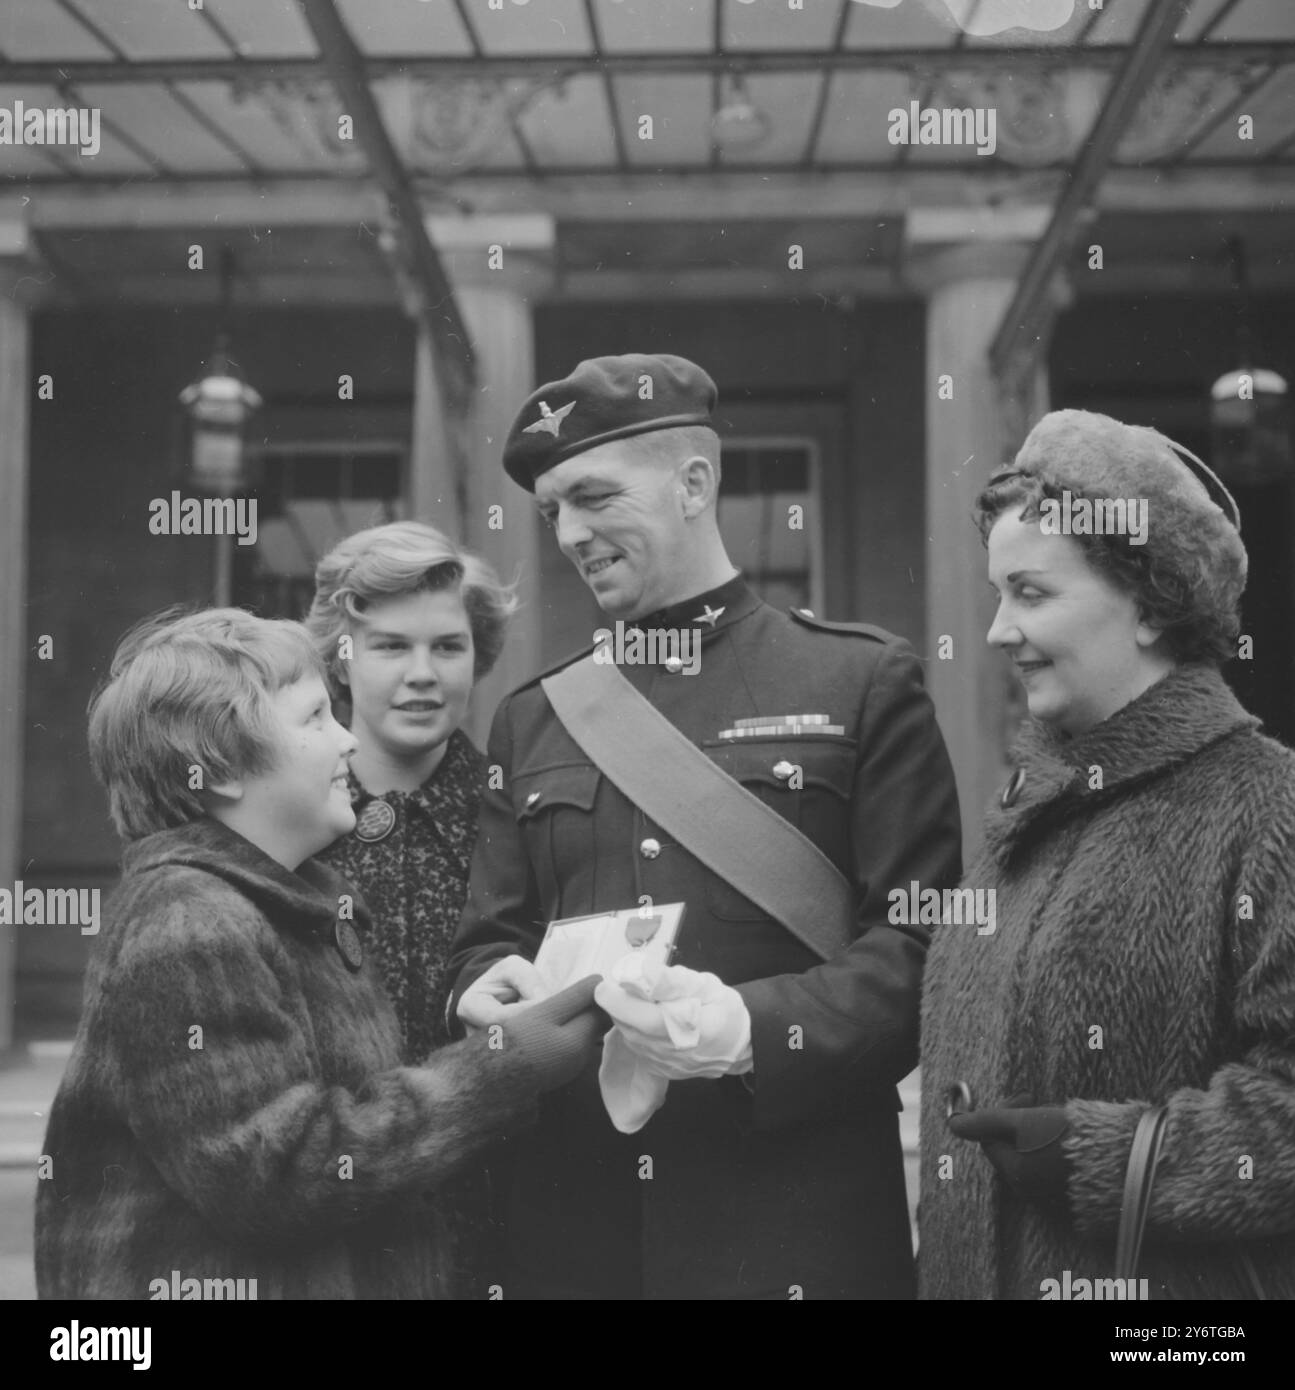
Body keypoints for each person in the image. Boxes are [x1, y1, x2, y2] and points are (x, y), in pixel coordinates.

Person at [446, 352, 962, 1300]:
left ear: (694, 483)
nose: (568, 532)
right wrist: (480, 991)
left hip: (791, 1218)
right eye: (552, 508)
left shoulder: (857, 681)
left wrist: (748, 1028)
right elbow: (490, 938)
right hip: (575, 1222)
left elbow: (921, 945)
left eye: (593, 496)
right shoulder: (534, 717)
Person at [35, 607, 602, 1300]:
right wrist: (500, 1068)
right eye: (313, 720)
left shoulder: (265, 905)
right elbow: (281, 1175)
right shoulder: (189, 919)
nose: (346, 743)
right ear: (217, 770)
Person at [918, 409, 1295, 1301]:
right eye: (996, 595)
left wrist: (1103, 1158)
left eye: (1032, 593)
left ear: (1152, 605)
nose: (996, 631)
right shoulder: (1031, 811)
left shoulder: (1267, 804)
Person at [305, 521, 516, 1297]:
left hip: (497, 1228)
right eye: (391, 646)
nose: (422, 674)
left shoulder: (517, 815)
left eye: (447, 647)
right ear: (342, 653)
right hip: (328, 1231)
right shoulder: (285, 823)